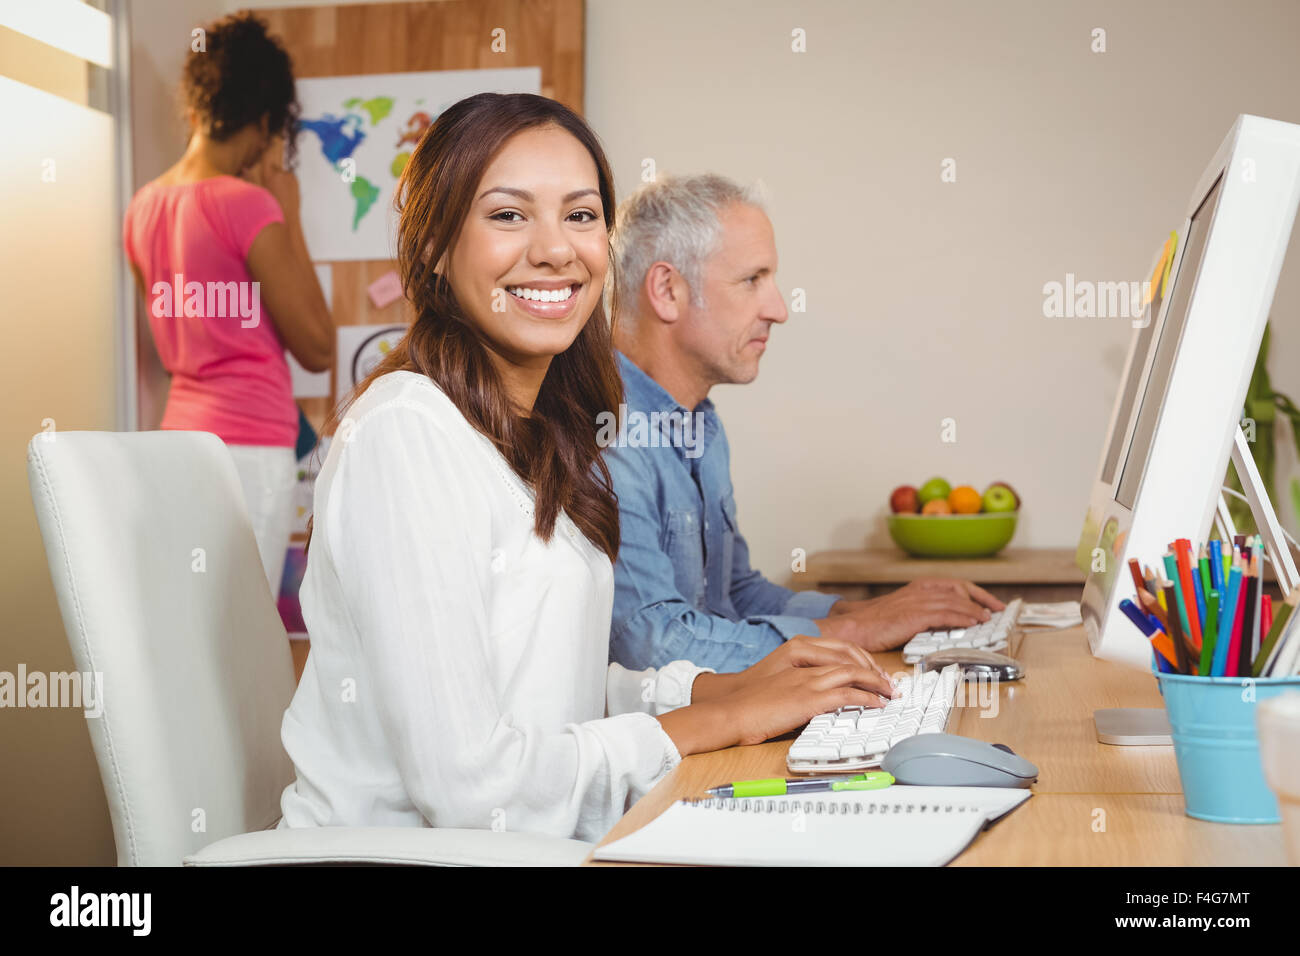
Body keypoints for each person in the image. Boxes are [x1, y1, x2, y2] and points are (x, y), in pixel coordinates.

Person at [276, 93, 895, 842]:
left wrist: (714, 688)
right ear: (435, 248)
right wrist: (714, 720)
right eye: (508, 215)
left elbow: (542, 688)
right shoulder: (405, 434)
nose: (556, 249)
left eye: (580, 215)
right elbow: (472, 786)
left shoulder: (542, 431)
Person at [604, 173, 1004, 672]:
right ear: (667, 290)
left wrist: (865, 611)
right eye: (752, 280)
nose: (779, 309)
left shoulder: (699, 424)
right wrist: (851, 632)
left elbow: (732, 593)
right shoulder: (608, 435)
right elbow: (652, 644)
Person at [122, 13, 333, 593]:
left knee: (193, 609)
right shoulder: (247, 206)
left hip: (179, 438)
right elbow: (317, 346)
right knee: (245, 623)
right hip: (250, 447)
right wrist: (288, 211)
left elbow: (171, 342)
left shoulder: (143, 207)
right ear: (266, 120)